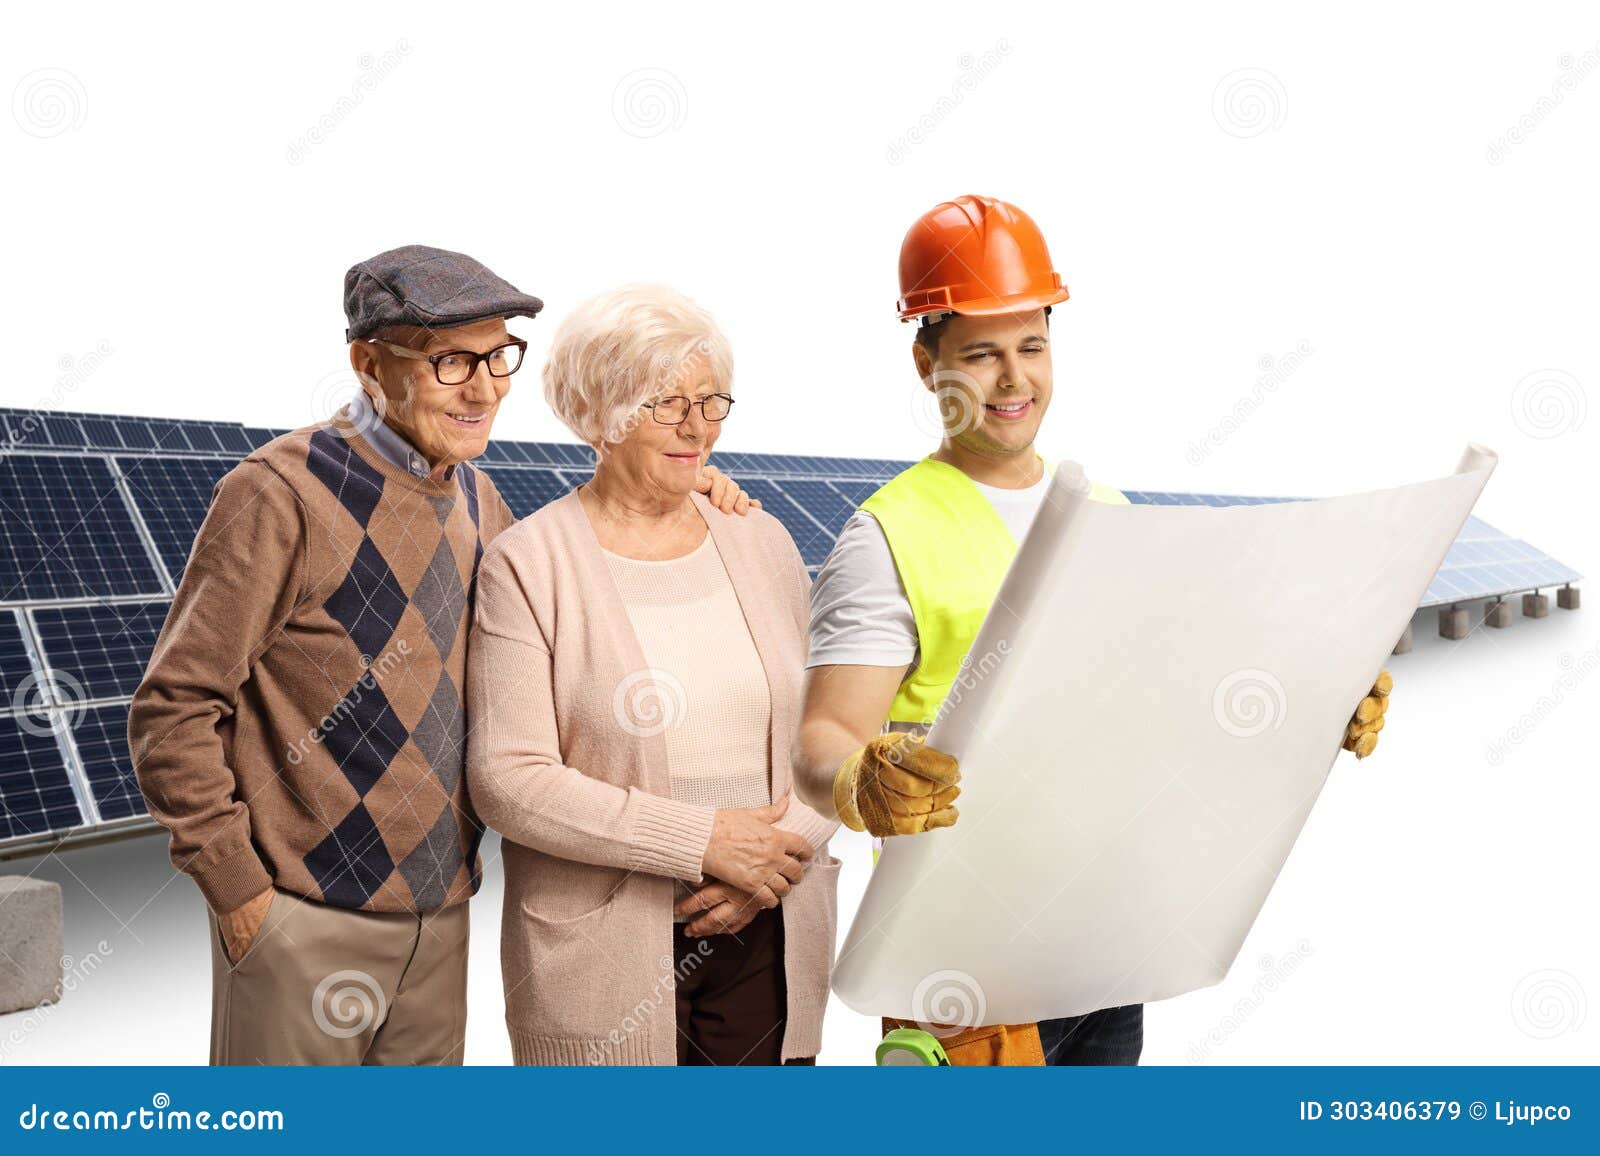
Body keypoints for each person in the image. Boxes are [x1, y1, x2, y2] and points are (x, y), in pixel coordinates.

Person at [793, 195, 1394, 1066]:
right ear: (926, 365)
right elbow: (824, 738)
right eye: (981, 355)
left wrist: (1314, 703)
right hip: (964, 965)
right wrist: (857, 779)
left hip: (1103, 943)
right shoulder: (887, 535)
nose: (1014, 380)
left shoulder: (1106, 512)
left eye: (1032, 347)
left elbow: (1173, 711)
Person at [129, 246, 756, 1065]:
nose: (486, 386)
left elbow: (568, 584)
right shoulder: (278, 493)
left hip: (441, 919)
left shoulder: (476, 496)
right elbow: (173, 709)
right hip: (301, 916)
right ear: (368, 364)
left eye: (499, 356)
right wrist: (240, 891)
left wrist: (681, 487)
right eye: (452, 360)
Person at [466, 283, 840, 1066]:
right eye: (668, 403)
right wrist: (701, 842)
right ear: (601, 412)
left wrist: (770, 865)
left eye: (711, 402)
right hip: (604, 953)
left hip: (771, 927)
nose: (698, 427)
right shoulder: (530, 564)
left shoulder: (759, 539)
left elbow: (827, 741)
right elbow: (508, 778)